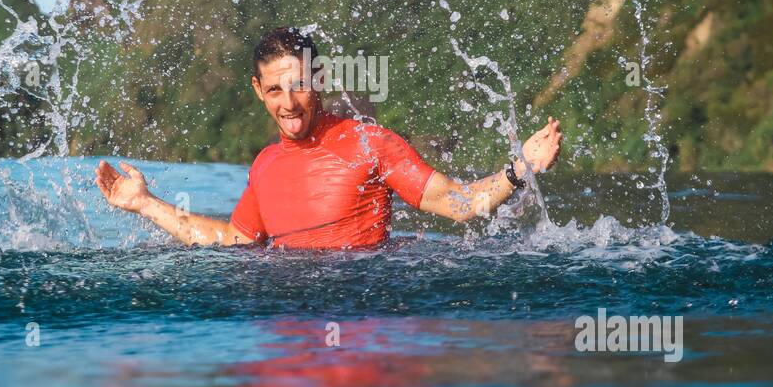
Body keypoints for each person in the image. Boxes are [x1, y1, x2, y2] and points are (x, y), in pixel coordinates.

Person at [95, 27, 562, 248]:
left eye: (298, 84)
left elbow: (456, 204)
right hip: (289, 316)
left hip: (363, 304)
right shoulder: (264, 166)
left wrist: (520, 169)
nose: (289, 102)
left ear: (318, 78)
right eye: (275, 89)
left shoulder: (369, 142)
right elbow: (232, 237)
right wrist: (144, 203)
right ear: (258, 92)